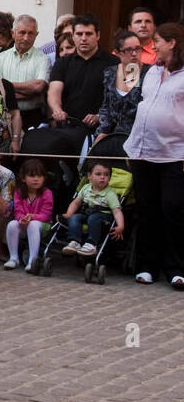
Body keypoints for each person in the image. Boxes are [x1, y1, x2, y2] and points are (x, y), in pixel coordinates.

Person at [126, 22, 184, 288]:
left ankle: (176, 268)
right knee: (146, 209)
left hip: (174, 153)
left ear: (172, 43)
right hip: (143, 150)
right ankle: (147, 265)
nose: (153, 46)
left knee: (173, 209)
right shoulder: (151, 72)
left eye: (158, 41)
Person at [46, 14, 119, 159]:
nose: (84, 38)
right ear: (73, 36)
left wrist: (100, 116)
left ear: (98, 35)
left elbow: (120, 98)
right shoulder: (62, 63)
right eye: (79, 34)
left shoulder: (114, 62)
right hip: (68, 129)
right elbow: (54, 91)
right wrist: (57, 110)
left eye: (89, 34)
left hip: (102, 131)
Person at [92, 29, 145, 157]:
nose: (134, 54)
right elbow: (106, 107)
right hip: (113, 134)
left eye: (138, 49)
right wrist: (102, 133)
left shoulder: (150, 73)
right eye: (128, 50)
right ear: (118, 53)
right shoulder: (110, 72)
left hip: (138, 137)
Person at [0, 14, 50, 129]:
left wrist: (6, 86)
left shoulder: (43, 59)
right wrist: (30, 93)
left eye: (31, 33)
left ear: (36, 35)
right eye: (22, 32)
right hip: (5, 116)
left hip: (33, 117)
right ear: (13, 33)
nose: (26, 37)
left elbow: (38, 87)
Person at [61, 160, 124, 255]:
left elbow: (117, 211)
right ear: (89, 176)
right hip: (86, 213)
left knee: (93, 218)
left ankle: (91, 244)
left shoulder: (110, 193)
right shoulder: (86, 188)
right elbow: (76, 203)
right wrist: (69, 213)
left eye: (106, 175)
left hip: (103, 218)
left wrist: (120, 226)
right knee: (74, 217)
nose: (102, 177)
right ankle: (75, 241)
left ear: (110, 178)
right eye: (98, 174)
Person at [5, 157, 54, 272]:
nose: (36, 179)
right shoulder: (19, 192)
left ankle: (33, 260)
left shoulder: (47, 193)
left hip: (43, 225)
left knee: (33, 224)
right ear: (23, 178)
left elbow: (46, 215)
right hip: (25, 223)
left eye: (39, 176)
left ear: (44, 178)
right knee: (12, 225)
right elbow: (18, 211)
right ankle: (13, 258)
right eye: (32, 176)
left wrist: (32, 217)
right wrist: (22, 218)